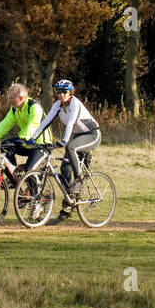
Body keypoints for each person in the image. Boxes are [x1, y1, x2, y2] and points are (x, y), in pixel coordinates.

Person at [26, 78, 100, 219]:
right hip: (78, 136)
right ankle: (68, 204)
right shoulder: (58, 105)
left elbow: (71, 123)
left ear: (70, 92)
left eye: (65, 92)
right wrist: (33, 138)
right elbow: (45, 122)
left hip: (92, 134)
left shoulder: (75, 104)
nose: (62, 95)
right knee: (65, 168)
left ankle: (78, 180)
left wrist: (65, 141)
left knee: (71, 147)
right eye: (59, 92)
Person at [0, 83, 52, 183]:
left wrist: (23, 137)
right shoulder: (15, 109)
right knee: (5, 145)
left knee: (29, 170)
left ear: (20, 98)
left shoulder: (34, 107)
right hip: (27, 142)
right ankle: (14, 178)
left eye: (11, 98)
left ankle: (34, 196)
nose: (9, 100)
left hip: (41, 145)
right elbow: (5, 124)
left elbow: (33, 124)